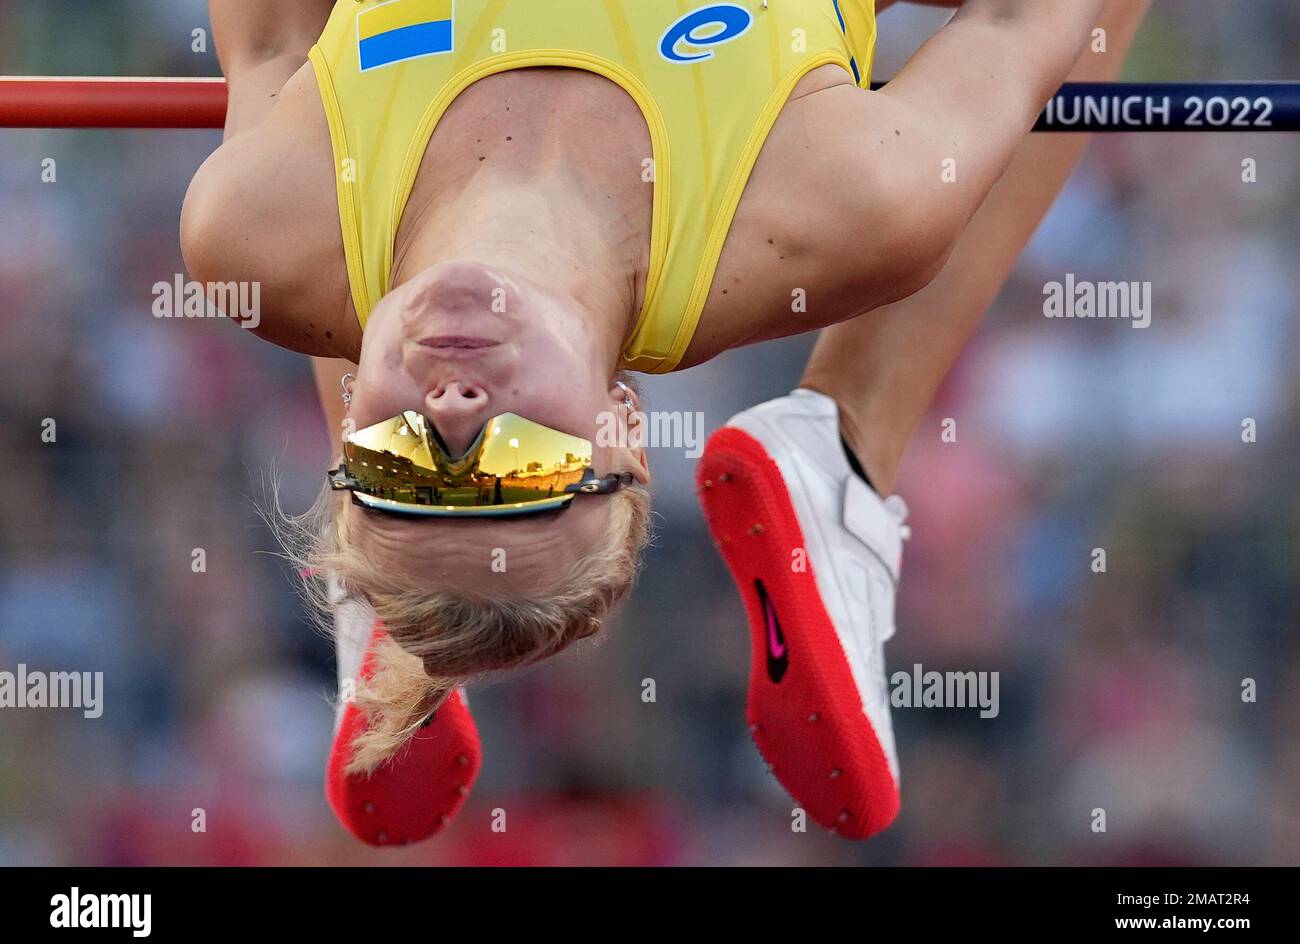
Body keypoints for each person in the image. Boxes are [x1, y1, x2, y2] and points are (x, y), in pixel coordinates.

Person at [183, 0, 1145, 844]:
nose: (454, 408)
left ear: (349, 432)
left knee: (320, 260)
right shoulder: (834, 198)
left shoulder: (261, 224)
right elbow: (1023, 20)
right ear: (621, 433)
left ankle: (400, 603)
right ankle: (850, 441)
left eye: (404, 467)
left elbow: (276, 36)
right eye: (513, 464)